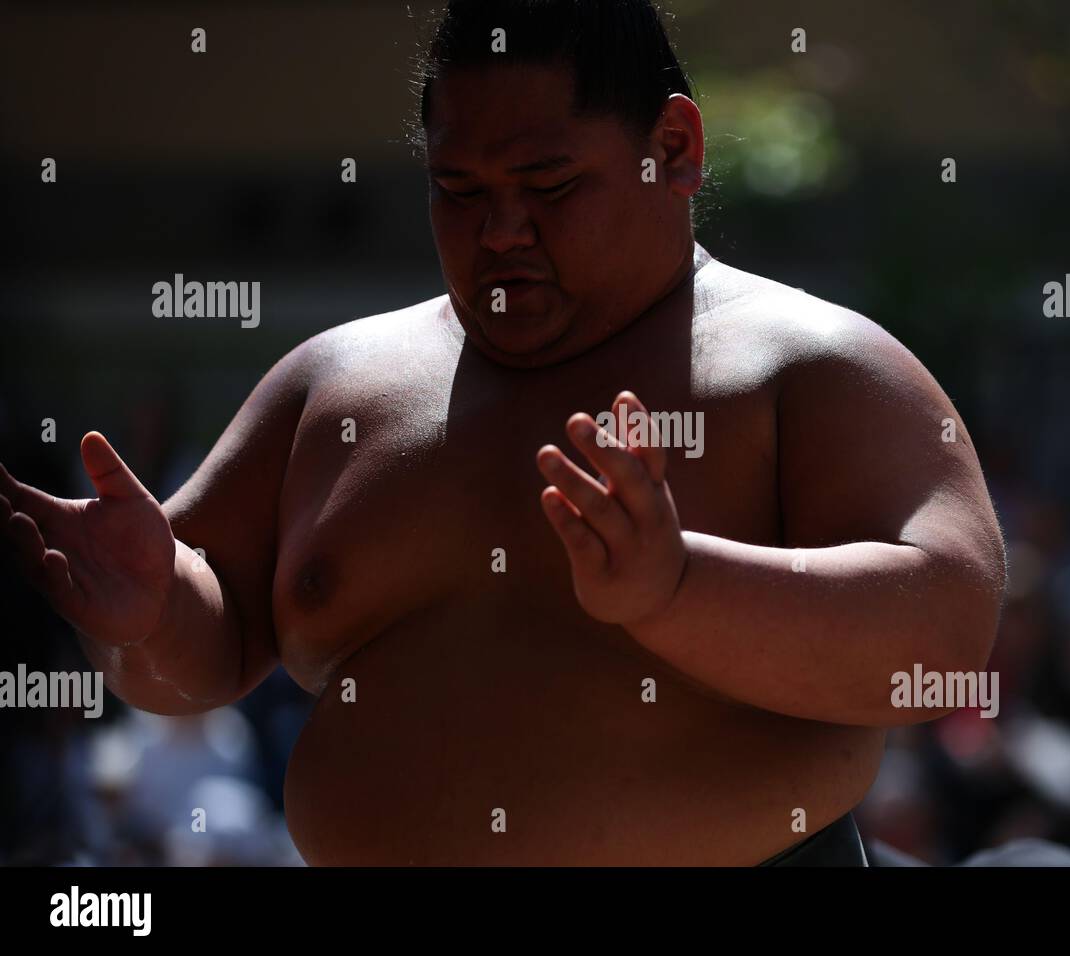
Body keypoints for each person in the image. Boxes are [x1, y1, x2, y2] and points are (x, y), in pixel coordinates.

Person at [0, 0, 1005, 865]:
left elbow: (950, 627)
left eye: (550, 185)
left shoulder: (812, 366)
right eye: (460, 191)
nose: (501, 232)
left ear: (673, 150)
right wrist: (145, 614)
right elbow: (200, 661)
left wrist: (680, 588)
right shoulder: (331, 384)